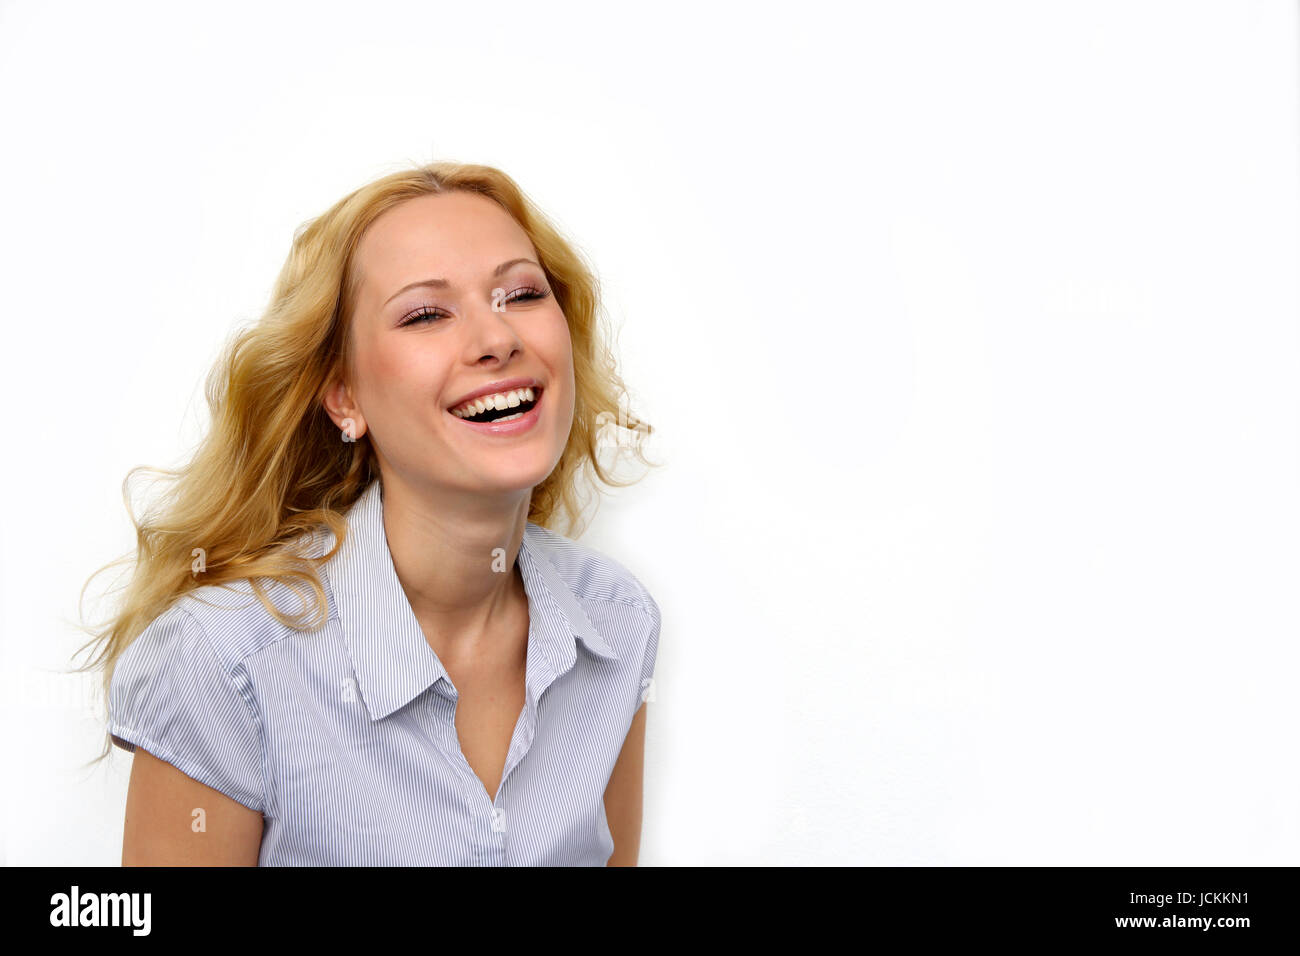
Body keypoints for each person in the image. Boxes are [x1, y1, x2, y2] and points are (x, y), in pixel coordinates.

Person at [75, 162, 661, 865]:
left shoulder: (617, 624)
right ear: (344, 396)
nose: (497, 339)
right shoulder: (223, 662)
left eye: (522, 294)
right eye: (426, 314)